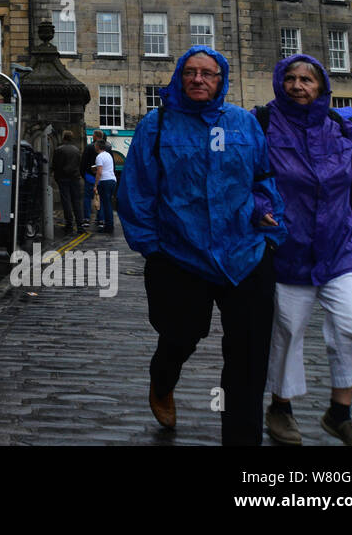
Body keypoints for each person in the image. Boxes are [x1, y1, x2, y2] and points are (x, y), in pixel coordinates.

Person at [118, 45, 286, 446]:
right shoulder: (156, 125)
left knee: (248, 357)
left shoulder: (243, 123)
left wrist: (267, 220)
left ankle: (241, 439)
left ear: (220, 80)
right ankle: (162, 380)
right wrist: (150, 247)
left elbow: (263, 179)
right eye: (191, 72)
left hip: (244, 254)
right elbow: (137, 189)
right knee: (180, 335)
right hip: (179, 254)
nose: (198, 79)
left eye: (207, 73)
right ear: (179, 77)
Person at [260, 55, 352, 447]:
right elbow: (252, 179)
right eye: (289, 78)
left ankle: (339, 413)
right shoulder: (265, 125)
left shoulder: (340, 128)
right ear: (279, 83)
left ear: (321, 87)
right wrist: (261, 210)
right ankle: (281, 408)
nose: (297, 85)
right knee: (287, 331)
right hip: (289, 249)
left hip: (341, 248)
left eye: (307, 79)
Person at [52, 130, 83, 235]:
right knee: (76, 202)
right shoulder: (76, 150)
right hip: (75, 178)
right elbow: (79, 164)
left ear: (64, 138)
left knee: (66, 202)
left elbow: (55, 165)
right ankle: (80, 225)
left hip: (63, 179)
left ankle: (69, 225)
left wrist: (57, 177)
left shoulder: (59, 150)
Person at [80, 128, 105, 231]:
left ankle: (86, 219)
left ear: (94, 136)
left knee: (87, 198)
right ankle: (100, 219)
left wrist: (83, 175)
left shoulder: (89, 147)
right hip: (102, 178)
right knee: (99, 198)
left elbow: (83, 163)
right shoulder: (107, 147)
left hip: (90, 177)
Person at [91, 139, 117, 234]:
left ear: (98, 147)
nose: (94, 146)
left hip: (105, 181)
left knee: (106, 205)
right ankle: (109, 225)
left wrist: (96, 184)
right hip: (112, 180)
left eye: (95, 145)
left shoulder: (99, 157)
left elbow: (99, 172)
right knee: (108, 203)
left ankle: (109, 226)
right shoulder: (108, 155)